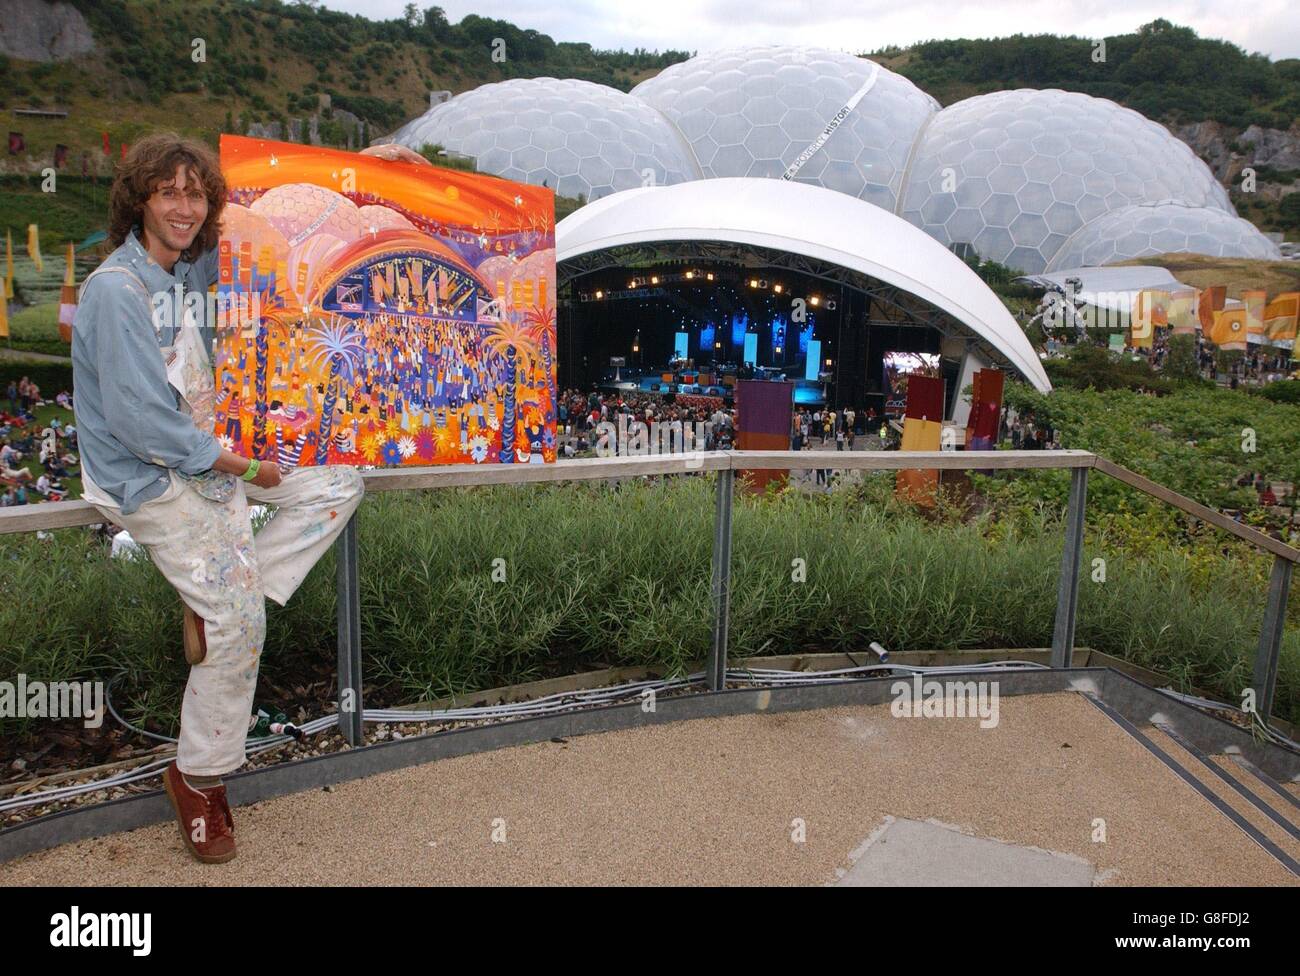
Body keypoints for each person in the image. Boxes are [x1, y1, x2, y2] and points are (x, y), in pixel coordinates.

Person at [70, 133, 419, 864]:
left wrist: (376, 170)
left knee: (335, 484)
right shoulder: (114, 290)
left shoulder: (192, 267)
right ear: (138, 200)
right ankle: (198, 777)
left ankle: (223, 592)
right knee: (240, 623)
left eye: (195, 192)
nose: (184, 206)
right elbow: (138, 419)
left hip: (210, 456)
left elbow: (285, 206)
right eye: (168, 191)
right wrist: (240, 467)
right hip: (151, 477)